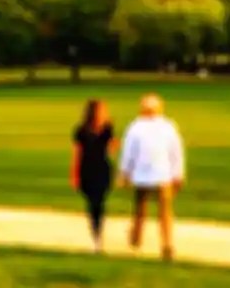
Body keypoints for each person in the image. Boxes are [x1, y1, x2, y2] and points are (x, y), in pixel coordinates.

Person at [118, 93, 185, 261]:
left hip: (142, 175)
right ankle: (166, 243)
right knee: (164, 211)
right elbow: (176, 152)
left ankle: (137, 238)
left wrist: (125, 172)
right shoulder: (168, 126)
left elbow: (128, 153)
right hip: (163, 175)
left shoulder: (135, 127)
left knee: (140, 209)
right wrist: (178, 174)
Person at [72, 99, 116, 253]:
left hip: (103, 170)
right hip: (87, 170)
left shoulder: (107, 129)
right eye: (101, 110)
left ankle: (98, 234)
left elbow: (111, 149)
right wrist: (75, 174)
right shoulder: (81, 131)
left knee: (100, 202)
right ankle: (96, 233)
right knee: (93, 204)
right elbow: (77, 153)